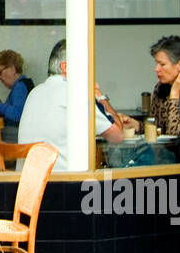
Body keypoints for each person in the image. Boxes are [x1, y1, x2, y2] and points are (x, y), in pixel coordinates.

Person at [17, 40, 121, 172]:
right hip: (62, 184)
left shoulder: (35, 92)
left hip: (28, 185)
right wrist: (99, 95)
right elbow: (117, 136)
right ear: (65, 67)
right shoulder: (74, 94)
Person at [0, 49, 34, 142]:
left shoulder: (20, 87)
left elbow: (17, 114)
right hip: (23, 134)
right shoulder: (24, 84)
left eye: (0, 72)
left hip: (19, 136)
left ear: (12, 69)